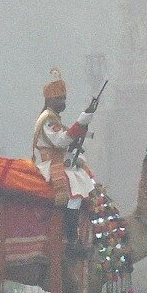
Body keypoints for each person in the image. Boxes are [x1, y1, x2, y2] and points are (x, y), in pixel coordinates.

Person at [32, 71, 96, 243]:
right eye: (59, 99)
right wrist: (80, 122)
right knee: (74, 190)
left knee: (83, 176)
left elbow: (66, 139)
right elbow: (60, 141)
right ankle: (71, 236)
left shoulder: (55, 118)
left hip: (61, 160)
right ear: (49, 100)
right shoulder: (47, 119)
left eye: (64, 99)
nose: (63, 103)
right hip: (51, 163)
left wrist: (82, 131)